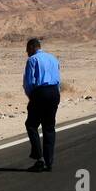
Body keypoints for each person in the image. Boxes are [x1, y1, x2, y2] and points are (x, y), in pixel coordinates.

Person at [22, 37, 61, 173]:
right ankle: (49, 162)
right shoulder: (53, 58)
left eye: (27, 50)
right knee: (49, 127)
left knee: (31, 125)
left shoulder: (32, 60)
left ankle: (39, 159)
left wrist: (31, 97)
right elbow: (58, 79)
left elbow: (29, 83)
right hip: (54, 92)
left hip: (40, 93)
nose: (27, 52)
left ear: (32, 48)